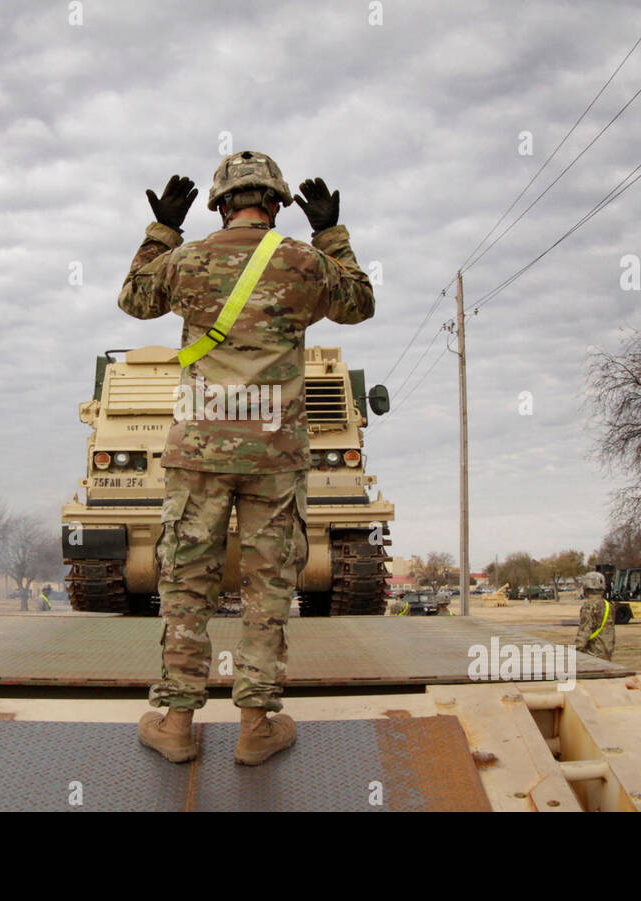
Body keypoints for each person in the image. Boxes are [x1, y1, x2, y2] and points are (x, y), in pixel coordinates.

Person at [118, 150, 376, 765]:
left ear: (219, 203)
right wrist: (331, 236)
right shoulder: (302, 262)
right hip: (274, 455)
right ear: (279, 202)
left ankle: (177, 725)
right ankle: (256, 727)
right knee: (268, 590)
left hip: (199, 452)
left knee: (186, 583)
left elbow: (135, 300)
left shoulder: (188, 260)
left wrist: (162, 233)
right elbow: (359, 304)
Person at [575, 594, 614, 661]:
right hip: (606, 649)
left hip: (592, 651)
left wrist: (577, 649)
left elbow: (584, 631)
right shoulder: (608, 605)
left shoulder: (589, 606)